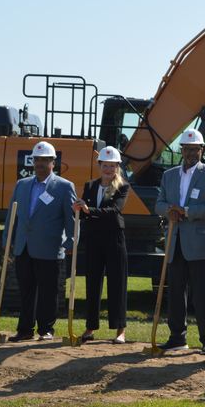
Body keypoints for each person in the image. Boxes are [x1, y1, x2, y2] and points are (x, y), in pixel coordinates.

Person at [154, 129, 205, 354]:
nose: (191, 153)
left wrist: (185, 211)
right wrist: (168, 211)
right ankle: (177, 338)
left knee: (203, 294)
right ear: (181, 151)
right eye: (187, 149)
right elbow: (158, 203)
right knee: (175, 292)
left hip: (201, 244)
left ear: (202, 151)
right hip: (175, 243)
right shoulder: (169, 175)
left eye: (196, 149)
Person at [7, 141, 78, 342]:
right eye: (36, 159)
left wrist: (71, 241)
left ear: (53, 162)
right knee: (26, 290)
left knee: (48, 291)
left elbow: (71, 218)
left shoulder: (64, 187)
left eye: (44, 160)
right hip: (24, 246)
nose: (39, 163)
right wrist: (8, 238)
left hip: (49, 247)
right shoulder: (22, 184)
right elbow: (13, 216)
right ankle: (25, 330)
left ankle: (46, 329)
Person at [72, 146, 131, 344]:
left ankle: (120, 329)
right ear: (99, 166)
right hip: (93, 238)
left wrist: (90, 211)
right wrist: (78, 209)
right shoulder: (90, 185)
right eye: (105, 165)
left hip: (114, 238)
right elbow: (84, 211)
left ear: (117, 167)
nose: (108, 169)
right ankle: (90, 327)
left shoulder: (123, 186)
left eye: (112, 166)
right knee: (92, 283)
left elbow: (114, 210)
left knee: (117, 283)